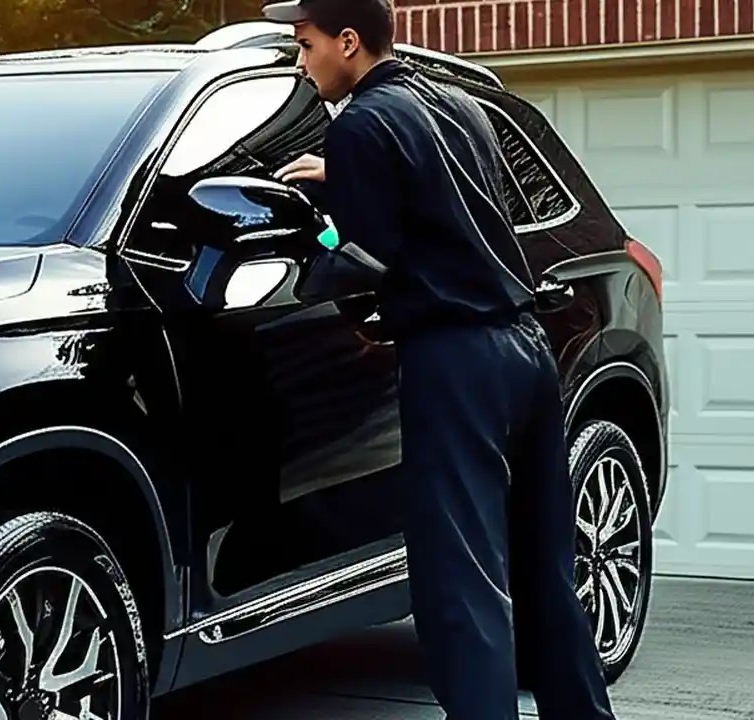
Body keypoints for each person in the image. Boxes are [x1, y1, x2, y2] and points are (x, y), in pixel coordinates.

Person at [259, 1, 618, 718]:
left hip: (455, 362)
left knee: (463, 584)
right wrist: (346, 178)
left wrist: (316, 241)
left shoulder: (361, 124)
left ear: (348, 41)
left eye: (306, 46)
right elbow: (443, 196)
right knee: (545, 568)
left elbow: (363, 260)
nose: (303, 64)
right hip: (525, 351)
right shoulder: (457, 105)